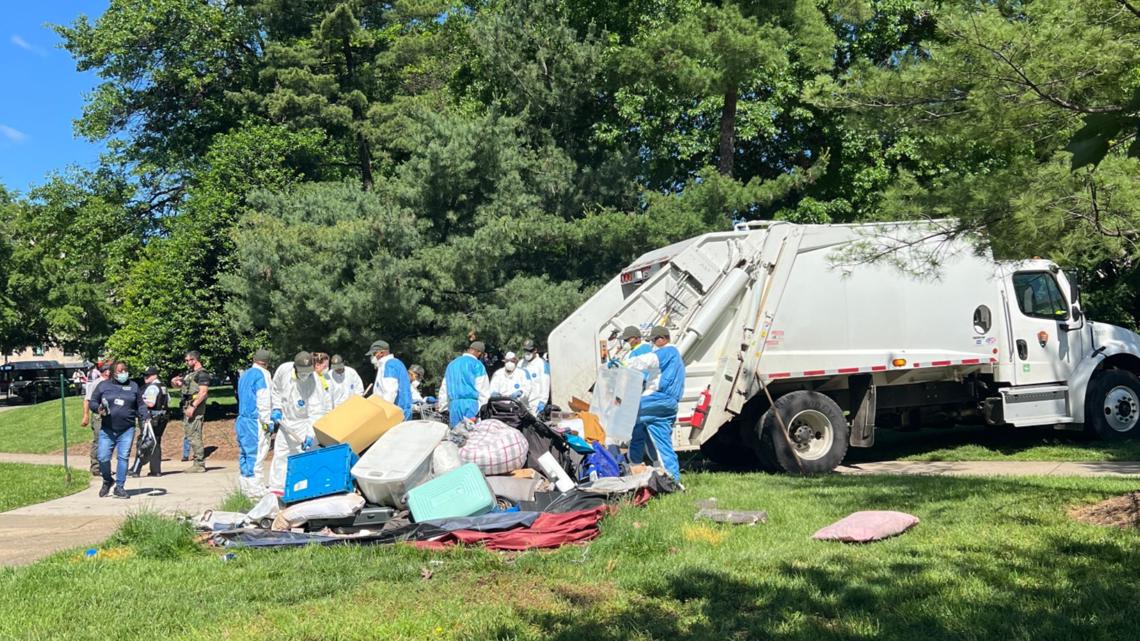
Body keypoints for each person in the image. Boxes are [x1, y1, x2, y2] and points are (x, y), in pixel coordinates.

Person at [268, 351, 331, 494]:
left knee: (304, 456)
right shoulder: (284, 370)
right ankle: (277, 489)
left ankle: (304, 489)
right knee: (281, 454)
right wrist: (276, 407)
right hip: (286, 422)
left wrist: (310, 434)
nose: (305, 375)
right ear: (295, 367)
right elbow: (276, 390)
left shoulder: (314, 381)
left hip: (304, 423)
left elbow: (316, 412)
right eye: (302, 372)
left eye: (308, 372)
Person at [627, 326, 685, 482]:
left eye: (653, 341)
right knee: (663, 444)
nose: (652, 345)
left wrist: (622, 364)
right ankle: (673, 480)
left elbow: (644, 361)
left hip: (657, 398)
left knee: (628, 414)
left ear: (661, 339)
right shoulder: (677, 358)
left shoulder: (667, 351)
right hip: (670, 404)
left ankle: (634, 464)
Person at [89, 362, 151, 499]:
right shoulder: (103, 386)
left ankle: (120, 487)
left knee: (123, 457)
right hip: (107, 428)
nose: (123, 372)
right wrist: (97, 408)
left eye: (125, 370)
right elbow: (92, 401)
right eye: (120, 370)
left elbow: (140, 405)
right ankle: (107, 480)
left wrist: (145, 415)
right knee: (103, 457)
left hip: (127, 429)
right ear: (112, 372)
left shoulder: (133, 386)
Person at [235, 349, 274, 498]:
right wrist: (267, 421)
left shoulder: (245, 374)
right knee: (256, 455)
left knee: (244, 454)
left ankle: (244, 487)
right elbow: (263, 399)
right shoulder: (263, 375)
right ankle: (255, 490)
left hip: (242, 419)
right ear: (267, 362)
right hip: (255, 420)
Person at [171, 350, 210, 473]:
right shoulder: (190, 374)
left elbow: (203, 392)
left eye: (188, 360)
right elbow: (184, 388)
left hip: (195, 408)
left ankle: (199, 464)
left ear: (195, 360)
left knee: (195, 435)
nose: (186, 362)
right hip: (187, 405)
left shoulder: (202, 374)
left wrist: (193, 406)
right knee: (190, 434)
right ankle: (197, 463)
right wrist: (175, 383)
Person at [438, 341, 490, 427]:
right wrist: (482, 411)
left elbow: (444, 388)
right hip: (471, 406)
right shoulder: (477, 365)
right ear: (479, 353)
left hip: (454, 406)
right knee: (471, 436)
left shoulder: (451, 365)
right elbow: (483, 390)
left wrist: (443, 408)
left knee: (456, 436)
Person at [130, 367, 169, 477]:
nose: (145, 377)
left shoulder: (152, 388)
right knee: (156, 442)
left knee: (144, 442)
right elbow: (167, 401)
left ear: (154, 375)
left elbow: (150, 403)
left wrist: (139, 401)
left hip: (151, 418)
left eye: (148, 375)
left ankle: (136, 469)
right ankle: (156, 470)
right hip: (163, 417)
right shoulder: (163, 386)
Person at [365, 340, 413, 420]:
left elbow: (390, 392)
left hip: (396, 413)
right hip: (401, 411)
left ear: (381, 353)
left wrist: (384, 414)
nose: (372, 357)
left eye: (374, 354)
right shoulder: (394, 363)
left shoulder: (389, 365)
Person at [80, 363, 111, 476]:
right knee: (98, 440)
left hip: (110, 415)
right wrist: (86, 415)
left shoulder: (112, 383)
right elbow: (87, 400)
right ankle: (96, 467)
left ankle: (105, 467)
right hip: (98, 415)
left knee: (108, 441)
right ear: (105, 371)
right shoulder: (95, 384)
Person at [521, 339, 550, 415]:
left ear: (535, 350)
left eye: (529, 350)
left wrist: (542, 402)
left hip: (535, 406)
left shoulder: (542, 364)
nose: (527, 353)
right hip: (521, 405)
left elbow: (545, 386)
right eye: (525, 350)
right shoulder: (520, 363)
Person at [311, 352, 334, 423]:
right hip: (315, 416)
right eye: (325, 366)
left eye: (328, 366)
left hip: (326, 415)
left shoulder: (325, 377)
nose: (327, 368)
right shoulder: (311, 379)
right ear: (317, 365)